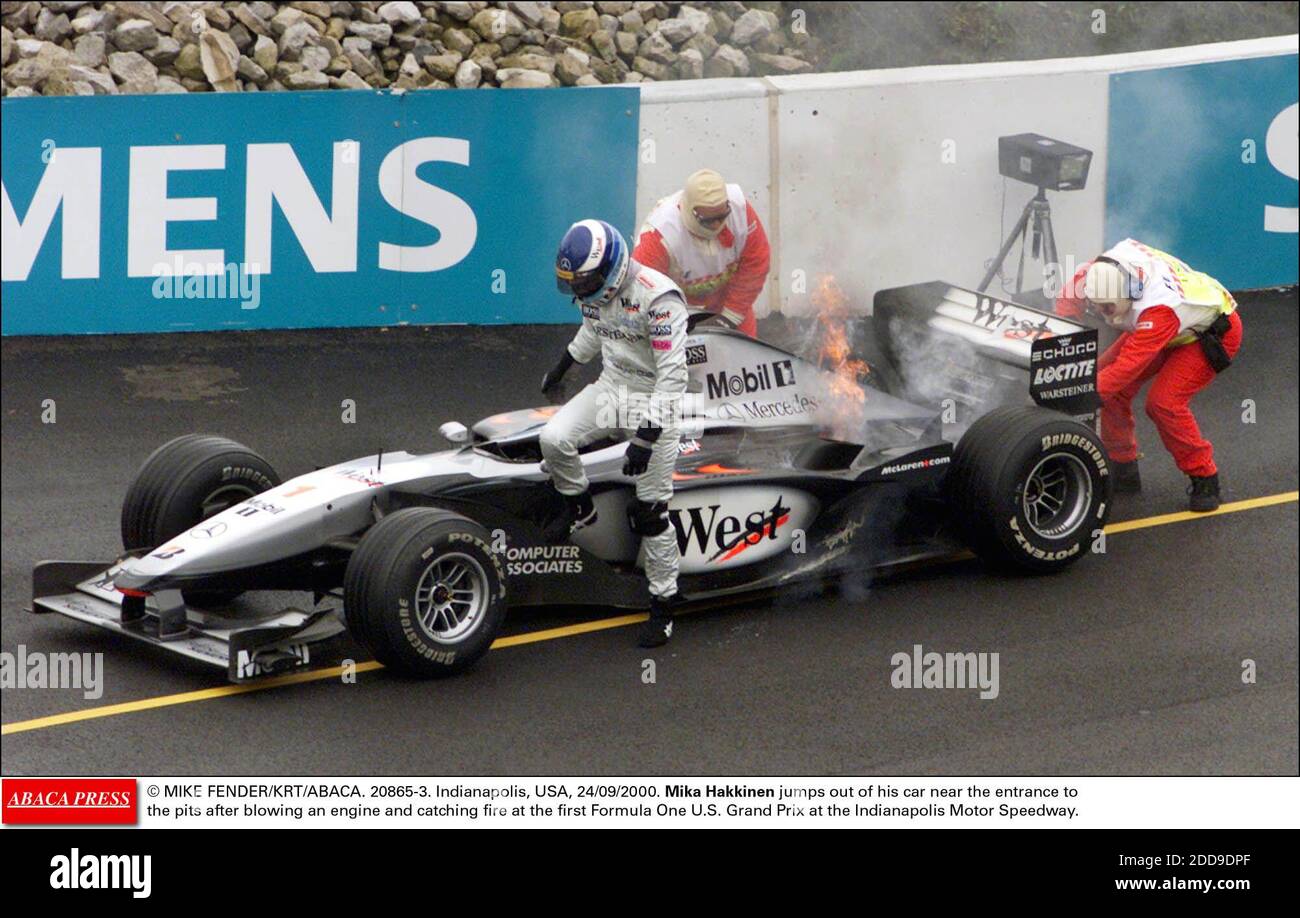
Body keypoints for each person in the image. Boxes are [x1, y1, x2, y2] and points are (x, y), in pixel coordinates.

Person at [540, 218, 689, 647]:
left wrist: (647, 436)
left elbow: (673, 378)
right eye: (572, 281)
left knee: (650, 513)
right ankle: (579, 505)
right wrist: (564, 364)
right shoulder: (594, 292)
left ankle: (664, 604)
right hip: (611, 387)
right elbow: (594, 329)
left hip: (654, 397)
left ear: (612, 268)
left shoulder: (659, 299)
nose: (578, 289)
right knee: (553, 439)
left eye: (583, 280)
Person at [1055, 238, 1242, 511]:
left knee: (1163, 403)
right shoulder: (1096, 274)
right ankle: (1123, 467)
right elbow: (1065, 304)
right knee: (1109, 386)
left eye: (1107, 307)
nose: (1101, 313)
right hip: (1173, 325)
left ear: (1129, 293)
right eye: (1094, 306)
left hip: (1210, 334)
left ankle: (1205, 477)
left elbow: (1128, 366)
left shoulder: (1157, 308)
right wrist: (1063, 349)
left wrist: (1075, 398)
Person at [632, 168, 771, 337]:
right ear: (690, 210)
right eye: (709, 220)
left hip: (731, 306)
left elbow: (755, 264)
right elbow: (641, 292)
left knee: (747, 358)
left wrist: (729, 317)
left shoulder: (740, 211)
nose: (716, 225)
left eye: (722, 217)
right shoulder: (660, 235)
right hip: (675, 315)